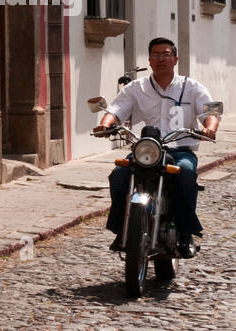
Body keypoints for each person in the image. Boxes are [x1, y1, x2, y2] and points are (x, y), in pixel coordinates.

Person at [94, 38, 219, 258]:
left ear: (175, 59)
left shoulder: (191, 87)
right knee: (119, 175)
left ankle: (185, 233)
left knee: (186, 173)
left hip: (179, 149)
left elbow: (210, 111)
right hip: (144, 151)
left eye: (166, 54)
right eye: (156, 55)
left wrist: (209, 128)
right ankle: (121, 228)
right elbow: (116, 109)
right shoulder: (136, 88)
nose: (161, 59)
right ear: (149, 60)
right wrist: (105, 124)